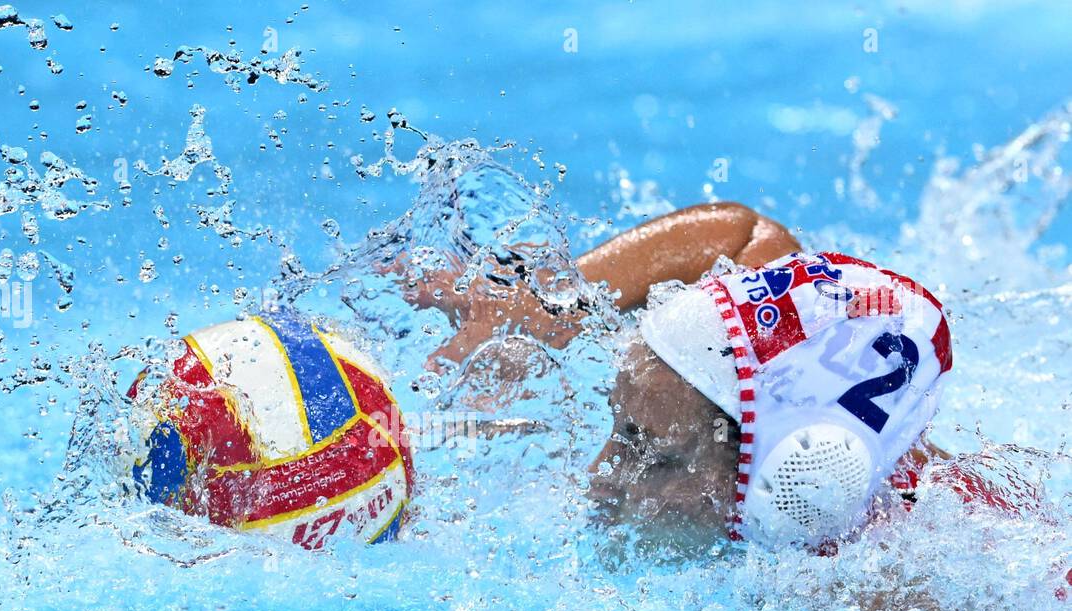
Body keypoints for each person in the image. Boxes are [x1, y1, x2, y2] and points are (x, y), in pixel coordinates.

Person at [404, 201, 1050, 556]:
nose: (599, 477)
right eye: (619, 427)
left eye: (651, 454)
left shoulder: (961, 574)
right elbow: (743, 240)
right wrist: (549, 309)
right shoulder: (786, 377)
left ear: (793, 482)